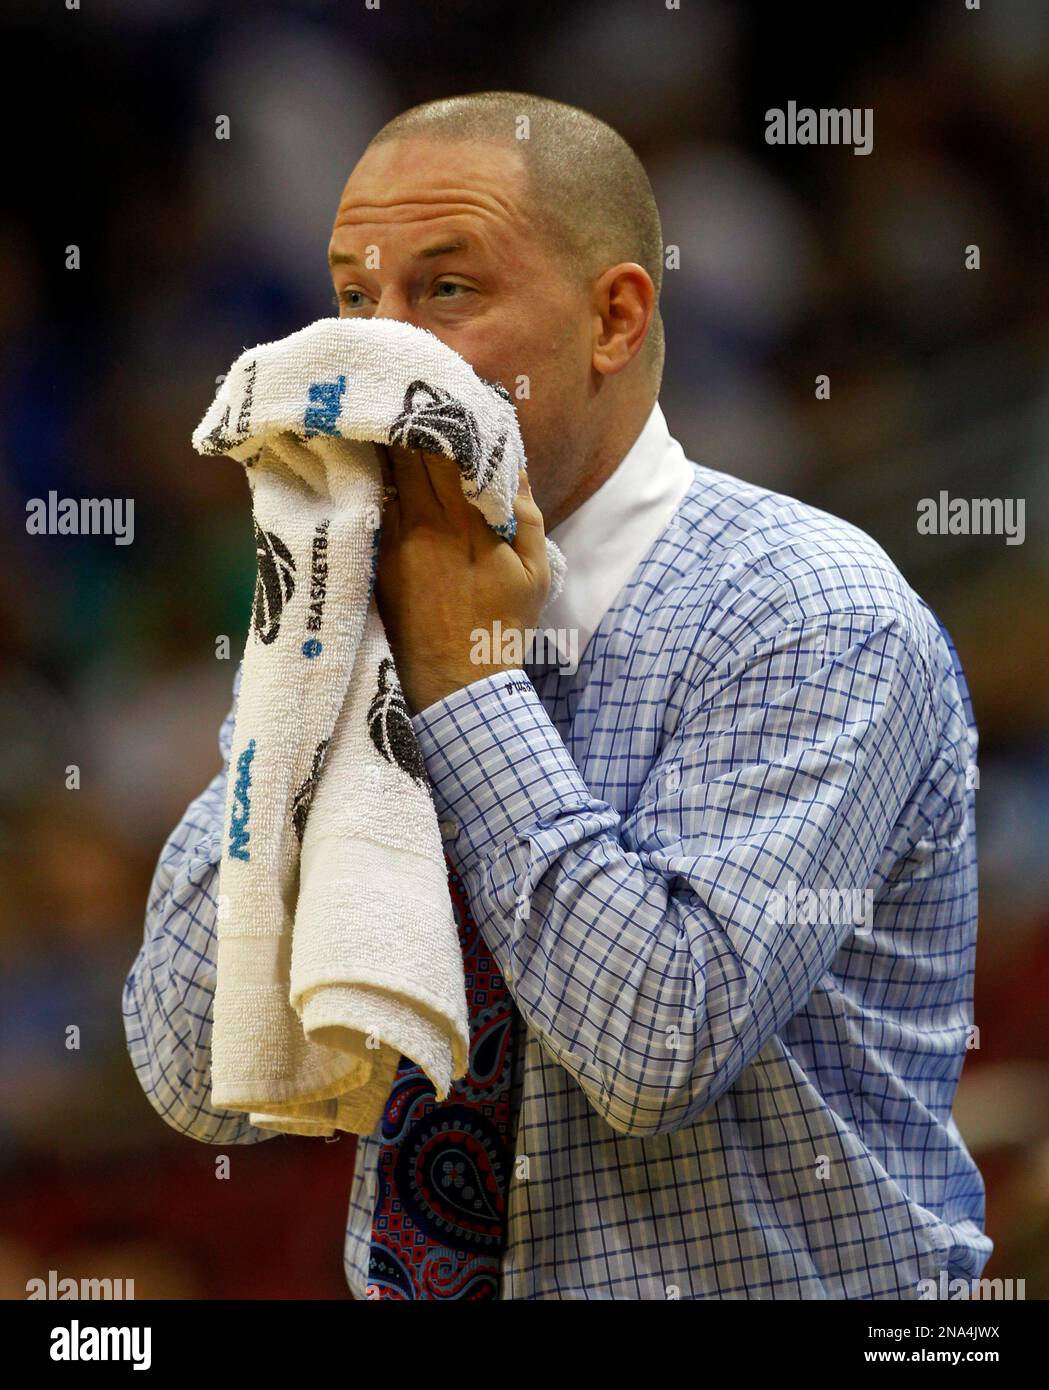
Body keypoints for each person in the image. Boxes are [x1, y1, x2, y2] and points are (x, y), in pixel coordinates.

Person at [123, 91, 991, 1299]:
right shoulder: (341, 590)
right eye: (353, 299)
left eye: (445, 291)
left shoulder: (811, 612)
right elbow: (189, 1075)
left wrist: (461, 680)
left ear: (613, 319)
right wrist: (312, 657)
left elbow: (652, 1047)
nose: (375, 355)